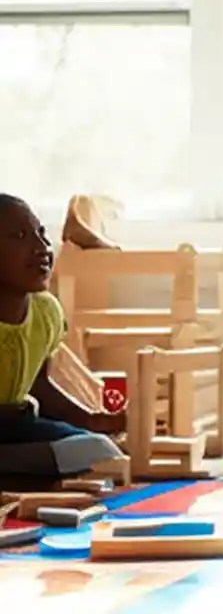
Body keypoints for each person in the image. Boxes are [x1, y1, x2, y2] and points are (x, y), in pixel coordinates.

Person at [0, 194, 125, 480]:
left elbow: (39, 384)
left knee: (101, 451)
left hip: (19, 427)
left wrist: (91, 419)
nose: (41, 248)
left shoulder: (46, 312)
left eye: (41, 234)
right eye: (20, 236)